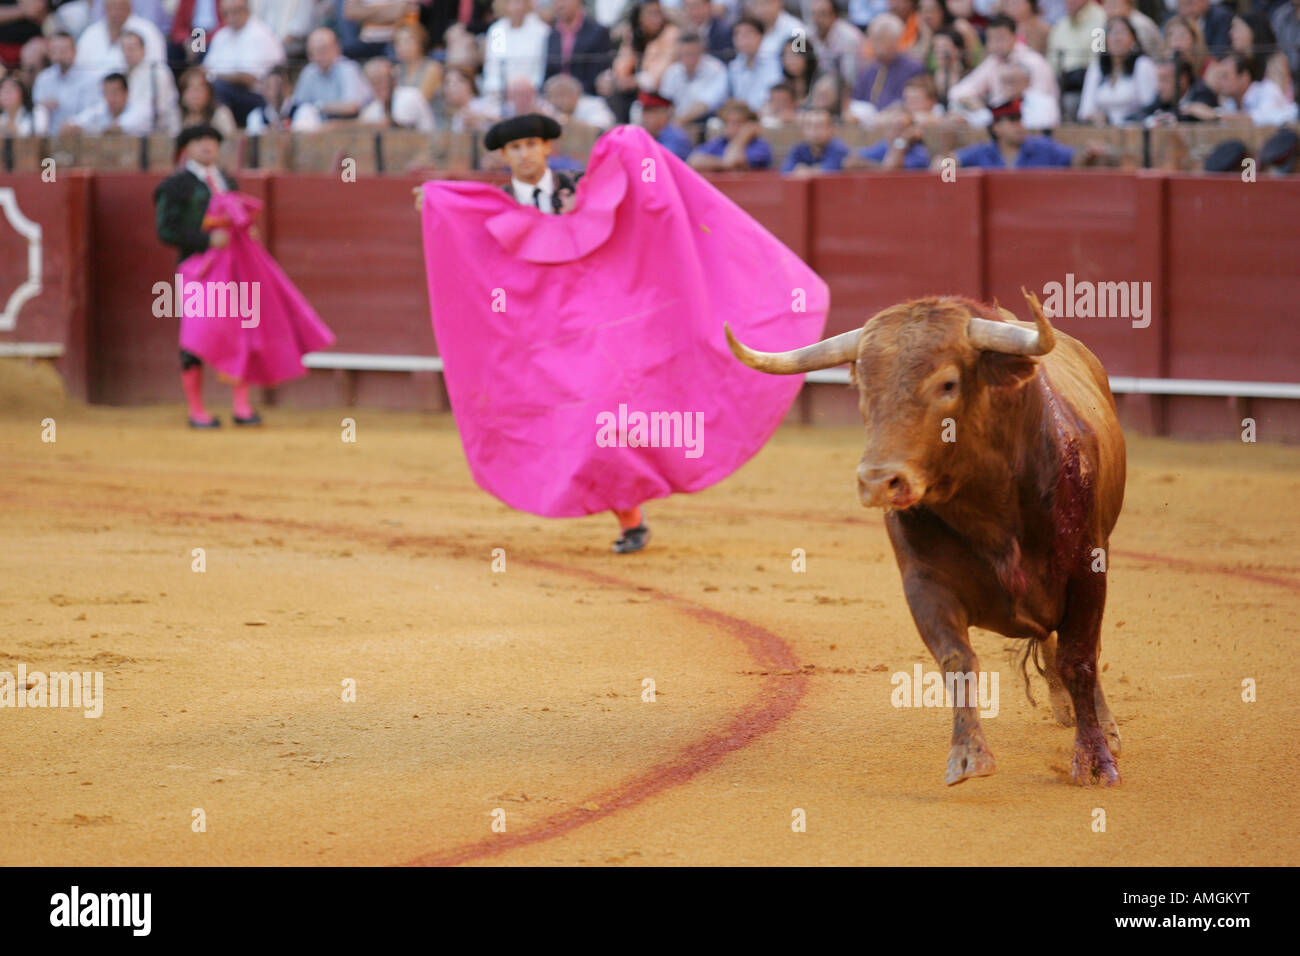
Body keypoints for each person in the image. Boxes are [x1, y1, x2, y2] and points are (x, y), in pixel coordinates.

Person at [412, 113, 656, 554]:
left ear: (547, 147)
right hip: (533, 341)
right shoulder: (493, 208)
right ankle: (565, 496)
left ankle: (630, 517)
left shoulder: (583, 190)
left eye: (531, 144)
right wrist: (436, 206)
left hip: (591, 329)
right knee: (545, 422)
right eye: (515, 148)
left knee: (602, 419)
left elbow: (637, 211)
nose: (524, 153)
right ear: (504, 156)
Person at [152, 124, 248, 428]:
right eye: (199, 141)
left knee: (240, 330)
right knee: (195, 336)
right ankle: (197, 410)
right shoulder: (176, 186)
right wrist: (207, 241)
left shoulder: (228, 182)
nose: (207, 146)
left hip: (233, 267)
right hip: (197, 269)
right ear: (186, 149)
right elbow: (166, 230)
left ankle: (242, 406)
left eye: (212, 141)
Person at [202, 0, 286, 127]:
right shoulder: (221, 36)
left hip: (259, 99)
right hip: (226, 93)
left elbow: (249, 78)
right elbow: (204, 70)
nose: (231, 17)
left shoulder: (259, 34)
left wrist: (216, 75)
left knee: (218, 88)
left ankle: (226, 131)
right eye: (226, 13)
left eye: (236, 11)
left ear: (247, 10)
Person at [955, 97, 1093, 167]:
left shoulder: (1043, 147)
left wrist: (1088, 153)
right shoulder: (983, 152)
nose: (1019, 125)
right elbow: (948, 160)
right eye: (1012, 120)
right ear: (996, 127)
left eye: (1020, 119)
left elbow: (1075, 158)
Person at [1078, 17, 1158, 124]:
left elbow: (1149, 106)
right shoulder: (1096, 68)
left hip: (1133, 130)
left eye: (1122, 32)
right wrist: (1097, 117)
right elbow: (1084, 111)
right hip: (1101, 130)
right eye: (1112, 32)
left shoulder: (1143, 65)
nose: (1117, 38)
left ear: (1133, 39)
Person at [286, 27, 370, 129]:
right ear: (310, 54)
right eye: (316, 51)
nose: (321, 55)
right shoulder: (308, 72)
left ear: (337, 48)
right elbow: (298, 105)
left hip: (351, 126)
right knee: (305, 112)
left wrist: (319, 107)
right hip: (320, 126)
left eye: (325, 49)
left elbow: (352, 107)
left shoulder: (348, 68)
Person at [850, 13, 926, 117]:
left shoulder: (913, 68)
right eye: (873, 39)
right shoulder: (869, 70)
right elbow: (858, 100)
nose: (874, 44)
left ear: (895, 40)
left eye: (880, 39)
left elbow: (910, 102)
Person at [74, 0, 166, 79]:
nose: (115, 12)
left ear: (130, 8)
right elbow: (79, 68)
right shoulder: (91, 33)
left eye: (120, 7)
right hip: (92, 93)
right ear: (104, 9)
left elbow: (157, 68)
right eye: (111, 7)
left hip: (136, 91)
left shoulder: (148, 31)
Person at [544, 0, 613, 95]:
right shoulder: (552, 35)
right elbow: (549, 73)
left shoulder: (598, 32)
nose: (560, 4)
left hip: (587, 97)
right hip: (555, 98)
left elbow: (598, 76)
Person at [32, 31, 95, 134]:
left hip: (80, 138)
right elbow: (36, 110)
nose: (60, 56)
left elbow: (92, 112)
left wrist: (73, 124)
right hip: (48, 139)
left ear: (74, 51)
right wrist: (43, 106)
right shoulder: (43, 78)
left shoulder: (89, 79)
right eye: (55, 51)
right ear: (49, 53)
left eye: (64, 51)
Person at [659, 30, 727, 125]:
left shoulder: (716, 69)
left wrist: (678, 122)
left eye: (693, 53)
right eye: (685, 54)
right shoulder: (672, 71)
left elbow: (706, 104)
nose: (689, 59)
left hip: (704, 121)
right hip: (675, 121)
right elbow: (665, 102)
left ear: (702, 51)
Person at [1212, 51, 1299, 125]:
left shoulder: (1267, 89)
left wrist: (1217, 115)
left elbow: (1263, 120)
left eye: (1225, 76)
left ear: (1244, 77)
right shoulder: (1230, 102)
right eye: (1219, 76)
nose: (1220, 81)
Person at [687, 98, 772, 170]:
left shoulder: (759, 146)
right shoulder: (720, 142)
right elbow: (693, 161)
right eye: (728, 123)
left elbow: (735, 161)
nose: (731, 127)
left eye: (737, 123)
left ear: (749, 124)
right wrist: (724, 163)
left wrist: (742, 138)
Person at [359, 55, 435, 129]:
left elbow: (395, 126)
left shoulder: (410, 95)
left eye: (383, 79)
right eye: (374, 81)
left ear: (393, 79)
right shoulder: (371, 108)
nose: (380, 85)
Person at [63, 70, 151, 133]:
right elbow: (71, 124)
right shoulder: (100, 109)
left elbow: (116, 129)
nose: (110, 98)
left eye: (114, 93)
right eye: (107, 93)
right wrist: (72, 126)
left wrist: (91, 129)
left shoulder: (139, 109)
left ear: (126, 93)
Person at [727, 15, 781, 113]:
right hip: (743, 116)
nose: (742, 40)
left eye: (747, 34)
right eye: (737, 35)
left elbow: (774, 96)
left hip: (769, 113)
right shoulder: (734, 66)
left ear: (761, 36)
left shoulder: (775, 61)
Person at [780, 106, 851, 174]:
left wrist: (804, 171)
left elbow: (829, 171)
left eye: (820, 126)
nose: (814, 130)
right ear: (803, 130)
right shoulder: (799, 149)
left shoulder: (838, 148)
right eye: (809, 126)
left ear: (830, 129)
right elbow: (785, 170)